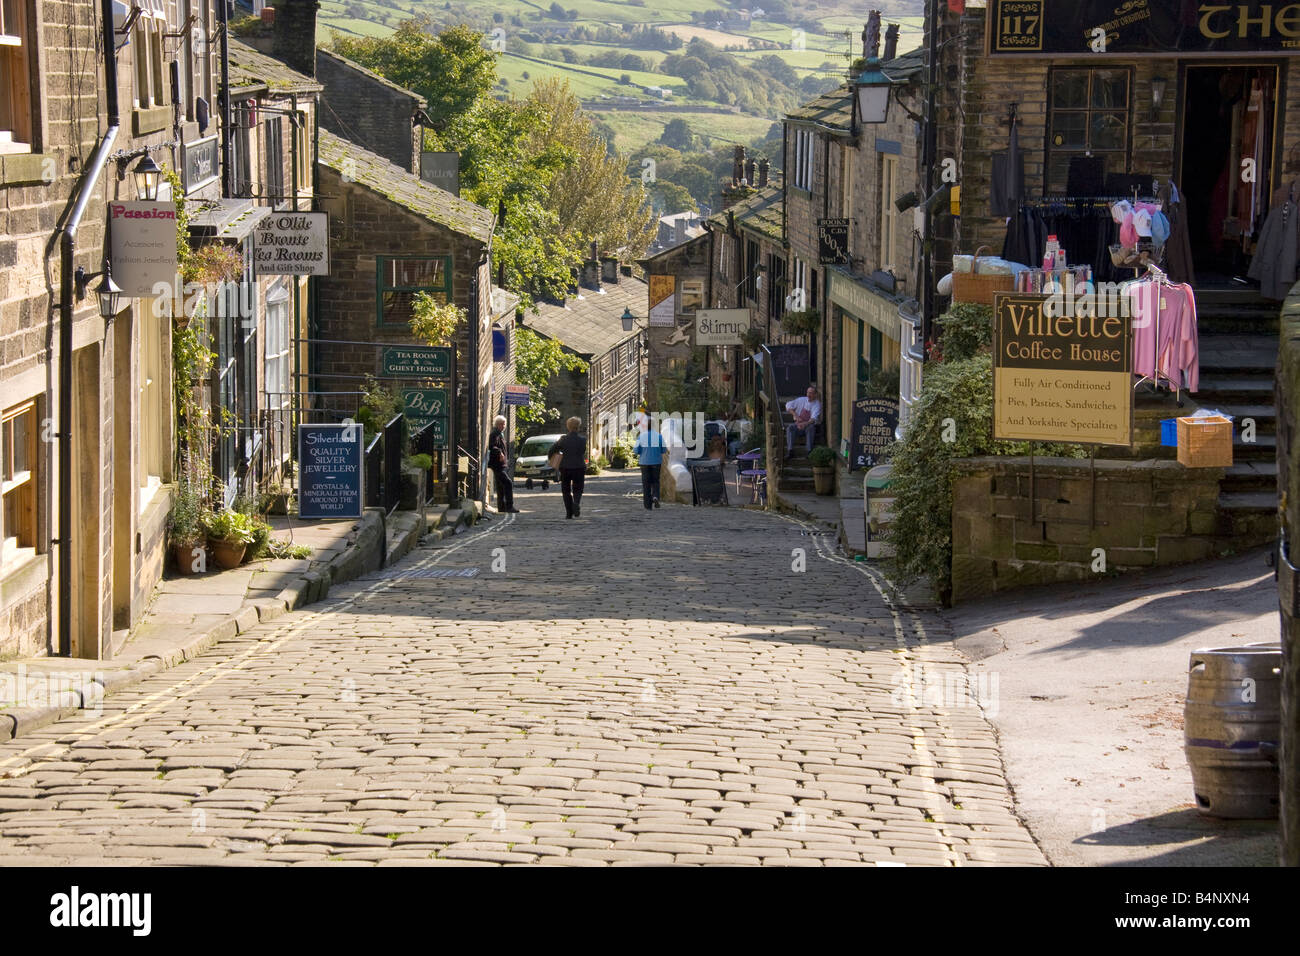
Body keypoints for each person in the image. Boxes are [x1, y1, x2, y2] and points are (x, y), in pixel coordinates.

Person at [549, 417, 588, 518]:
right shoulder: (582, 440)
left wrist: (555, 459)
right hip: (579, 466)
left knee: (565, 490)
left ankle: (568, 513)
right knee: (578, 488)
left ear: (568, 426)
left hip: (565, 467)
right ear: (578, 427)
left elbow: (552, 450)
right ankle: (576, 503)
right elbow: (582, 452)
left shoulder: (563, 439)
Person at [486, 415, 519, 513]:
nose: (504, 426)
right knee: (508, 483)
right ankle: (509, 506)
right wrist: (499, 452)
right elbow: (492, 446)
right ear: (497, 424)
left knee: (501, 486)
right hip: (497, 464)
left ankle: (502, 507)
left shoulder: (500, 433)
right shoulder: (495, 434)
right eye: (502, 424)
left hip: (501, 464)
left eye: (504, 423)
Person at [632, 418, 667, 509]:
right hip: (656, 462)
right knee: (655, 481)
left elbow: (636, 450)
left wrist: (642, 452)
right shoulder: (659, 436)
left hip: (644, 462)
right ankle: (655, 496)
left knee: (646, 483)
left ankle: (647, 505)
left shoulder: (641, 436)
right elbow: (664, 450)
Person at [785, 385, 823, 454]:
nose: (809, 395)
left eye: (811, 393)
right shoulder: (802, 400)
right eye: (808, 392)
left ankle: (809, 451)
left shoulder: (817, 404)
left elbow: (813, 419)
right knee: (790, 428)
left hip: (808, 425)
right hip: (798, 424)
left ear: (815, 394)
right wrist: (795, 415)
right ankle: (790, 451)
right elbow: (788, 405)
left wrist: (804, 424)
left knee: (811, 428)